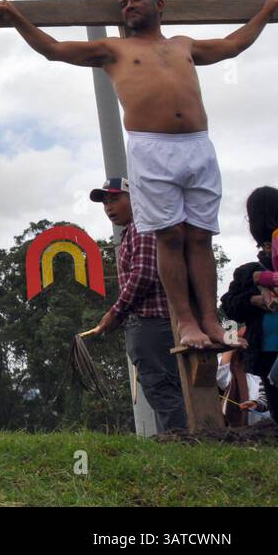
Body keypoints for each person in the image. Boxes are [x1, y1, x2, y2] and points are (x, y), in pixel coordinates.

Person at [0, 0, 278, 349]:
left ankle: (210, 319)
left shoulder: (183, 45)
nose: (128, 6)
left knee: (200, 236)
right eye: (123, 3)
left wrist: (267, 10)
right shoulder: (114, 50)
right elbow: (54, 50)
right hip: (151, 146)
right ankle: (187, 322)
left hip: (197, 145)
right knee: (170, 235)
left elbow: (234, 43)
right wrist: (18, 18)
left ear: (159, 5)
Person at [84, 177, 187, 433]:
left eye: (115, 199)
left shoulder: (142, 228)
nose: (109, 207)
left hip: (152, 323)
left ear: (135, 198)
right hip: (151, 323)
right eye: (105, 202)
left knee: (162, 389)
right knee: (163, 388)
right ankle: (181, 442)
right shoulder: (133, 231)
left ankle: (179, 445)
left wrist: (115, 313)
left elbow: (144, 274)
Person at [222, 185, 278, 421]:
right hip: (266, 350)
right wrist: (255, 300)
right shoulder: (248, 272)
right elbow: (229, 306)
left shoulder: (254, 273)